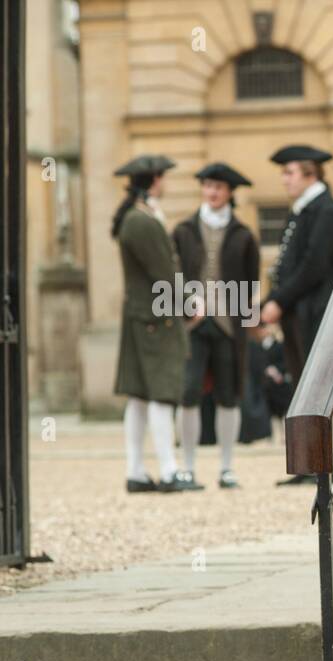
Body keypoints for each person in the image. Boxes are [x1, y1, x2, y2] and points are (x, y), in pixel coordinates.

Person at [171, 162, 261, 490]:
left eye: (219, 187)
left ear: (229, 193)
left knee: (229, 395)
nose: (212, 192)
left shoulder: (243, 235)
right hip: (192, 325)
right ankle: (188, 467)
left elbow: (253, 283)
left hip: (230, 324)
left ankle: (226, 467)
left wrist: (252, 324)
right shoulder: (183, 231)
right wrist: (182, 307)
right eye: (208, 186)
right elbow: (172, 274)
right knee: (188, 392)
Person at [262, 144, 333, 484]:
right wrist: (275, 299)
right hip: (298, 312)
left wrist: (278, 299)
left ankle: (328, 463)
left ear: (310, 173)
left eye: (289, 172)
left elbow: (314, 266)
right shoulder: (302, 210)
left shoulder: (325, 210)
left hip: (316, 310)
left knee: (320, 387)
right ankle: (307, 464)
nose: (284, 180)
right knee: (302, 386)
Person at [111, 154, 191, 493]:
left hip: (145, 316)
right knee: (159, 394)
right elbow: (164, 272)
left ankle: (137, 472)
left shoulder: (137, 216)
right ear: (155, 180)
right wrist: (187, 304)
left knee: (141, 397)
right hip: (156, 318)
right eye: (164, 177)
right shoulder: (141, 221)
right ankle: (169, 470)